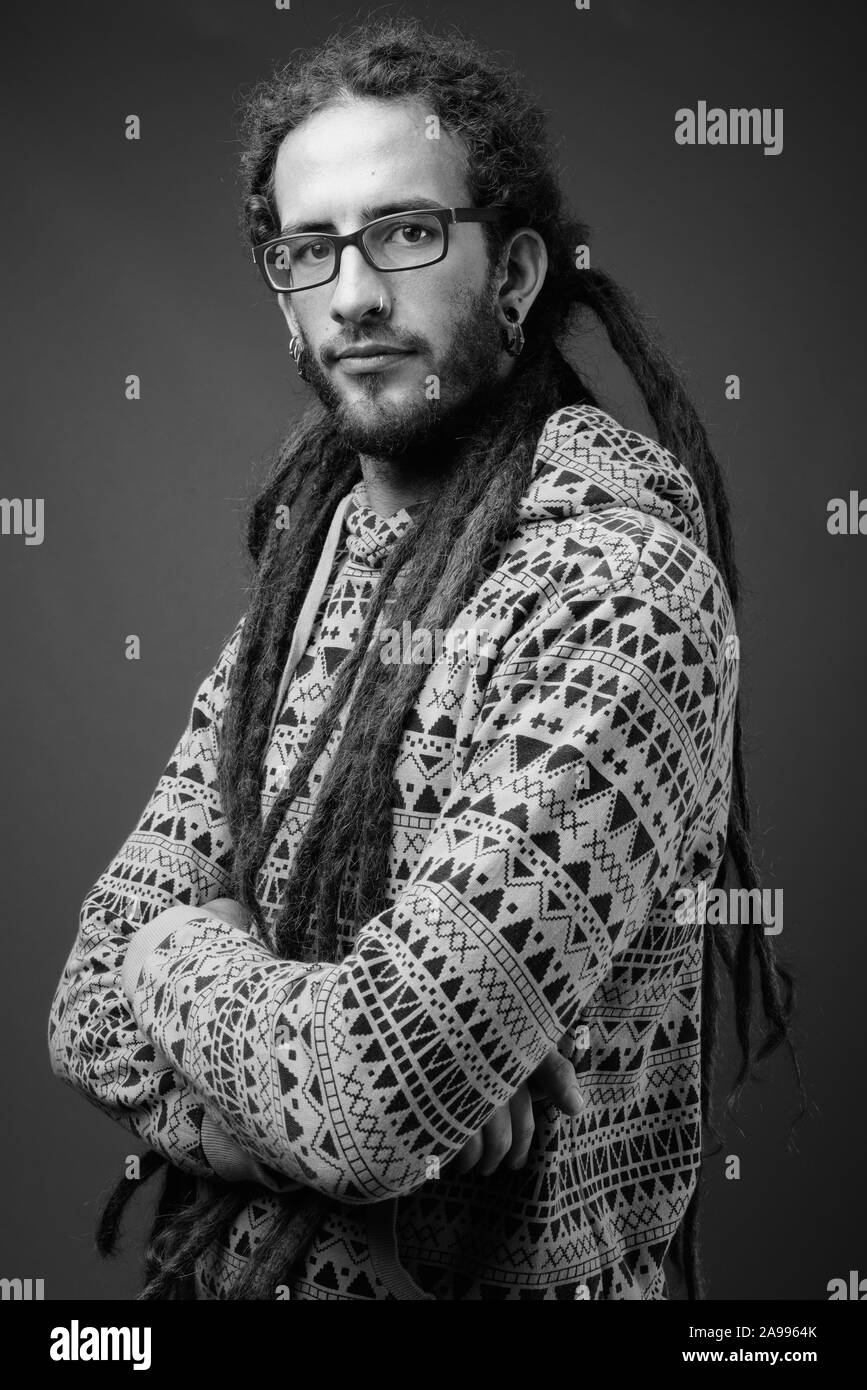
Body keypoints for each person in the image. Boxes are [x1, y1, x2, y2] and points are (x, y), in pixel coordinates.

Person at [48, 17, 801, 1301]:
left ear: (511, 273)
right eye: (309, 249)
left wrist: (179, 951)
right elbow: (82, 1008)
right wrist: (318, 1099)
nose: (353, 294)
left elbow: (368, 1095)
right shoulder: (315, 564)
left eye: (404, 233)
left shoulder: (621, 593)